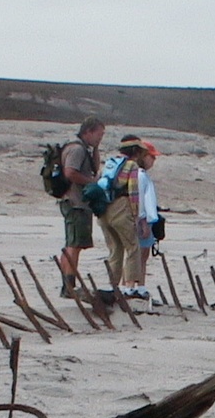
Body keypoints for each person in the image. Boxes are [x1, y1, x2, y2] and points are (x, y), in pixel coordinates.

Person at [58, 117, 106, 296]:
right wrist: (91, 182)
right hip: (75, 203)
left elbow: (94, 167)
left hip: (74, 202)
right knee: (74, 245)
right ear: (88, 132)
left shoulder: (83, 149)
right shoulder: (77, 149)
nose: (100, 138)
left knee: (72, 243)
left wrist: (95, 150)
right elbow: (70, 172)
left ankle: (67, 284)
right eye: (99, 134)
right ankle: (68, 285)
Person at [97, 135, 149, 298]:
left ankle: (113, 286)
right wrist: (136, 215)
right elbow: (133, 192)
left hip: (104, 209)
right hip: (121, 208)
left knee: (115, 249)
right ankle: (130, 287)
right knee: (133, 248)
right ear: (136, 151)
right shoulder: (131, 165)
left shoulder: (110, 162)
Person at [136, 140, 163, 294]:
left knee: (143, 254)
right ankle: (136, 286)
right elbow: (140, 200)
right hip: (143, 221)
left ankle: (139, 285)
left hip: (147, 219)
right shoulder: (140, 176)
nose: (154, 160)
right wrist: (143, 222)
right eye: (151, 157)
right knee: (140, 254)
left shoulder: (143, 175)